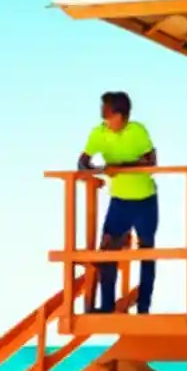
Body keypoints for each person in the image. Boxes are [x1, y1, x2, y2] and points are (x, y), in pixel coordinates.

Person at [77, 91, 158, 314]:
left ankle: (144, 308)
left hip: (145, 201)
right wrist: (100, 171)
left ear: (121, 115)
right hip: (119, 202)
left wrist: (119, 168)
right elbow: (82, 163)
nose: (103, 119)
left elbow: (151, 161)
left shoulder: (137, 130)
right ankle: (106, 305)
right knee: (107, 252)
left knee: (147, 253)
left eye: (108, 114)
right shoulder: (98, 133)